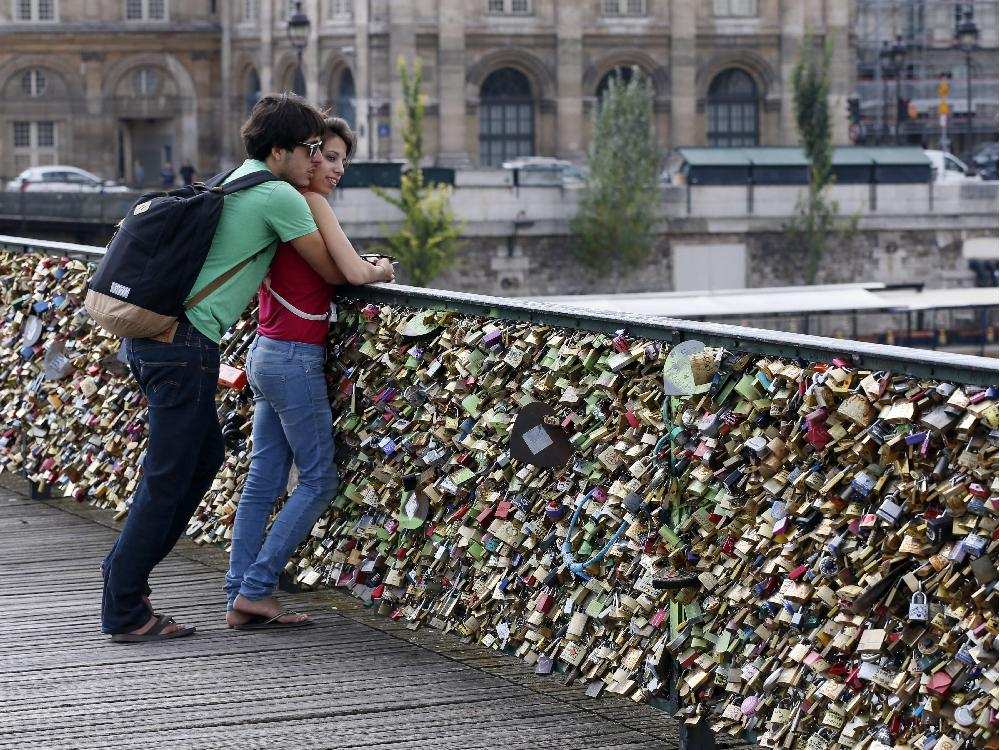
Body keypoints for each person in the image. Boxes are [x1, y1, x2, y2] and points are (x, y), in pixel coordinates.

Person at [100, 93, 355, 643]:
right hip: (185, 347)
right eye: (311, 149)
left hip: (159, 341)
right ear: (281, 151)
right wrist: (375, 268)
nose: (316, 160)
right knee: (169, 476)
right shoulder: (277, 196)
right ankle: (123, 599)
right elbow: (335, 269)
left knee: (202, 459)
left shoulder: (234, 177)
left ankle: (126, 576)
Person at [225, 117, 394, 630]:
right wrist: (382, 268)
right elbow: (352, 272)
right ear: (306, 153)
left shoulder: (275, 200)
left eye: (342, 159)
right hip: (295, 357)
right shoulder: (309, 203)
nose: (335, 167)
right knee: (319, 479)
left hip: (266, 351)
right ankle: (255, 589)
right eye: (328, 155)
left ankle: (239, 589)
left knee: (264, 478)